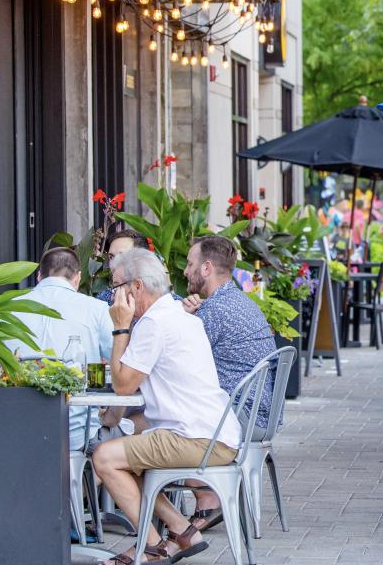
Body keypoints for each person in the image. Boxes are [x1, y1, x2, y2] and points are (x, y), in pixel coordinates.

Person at [93, 249, 242, 565]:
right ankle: (181, 531)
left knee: (104, 457)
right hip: (215, 432)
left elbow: (123, 386)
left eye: (116, 286)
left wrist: (120, 327)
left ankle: (150, 547)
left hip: (195, 437)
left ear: (136, 287)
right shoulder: (177, 314)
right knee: (127, 455)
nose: (112, 295)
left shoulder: (154, 323)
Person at [179, 235, 276, 532]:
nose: (185, 271)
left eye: (190, 264)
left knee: (170, 416)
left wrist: (183, 318)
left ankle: (207, 500)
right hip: (261, 415)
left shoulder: (214, 311)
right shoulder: (236, 301)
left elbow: (177, 363)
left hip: (240, 418)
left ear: (206, 268)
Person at [7, 247, 113, 452]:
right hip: (77, 434)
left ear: (39, 276)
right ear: (78, 278)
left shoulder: (8, 307)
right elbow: (118, 363)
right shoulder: (96, 309)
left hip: (17, 429)